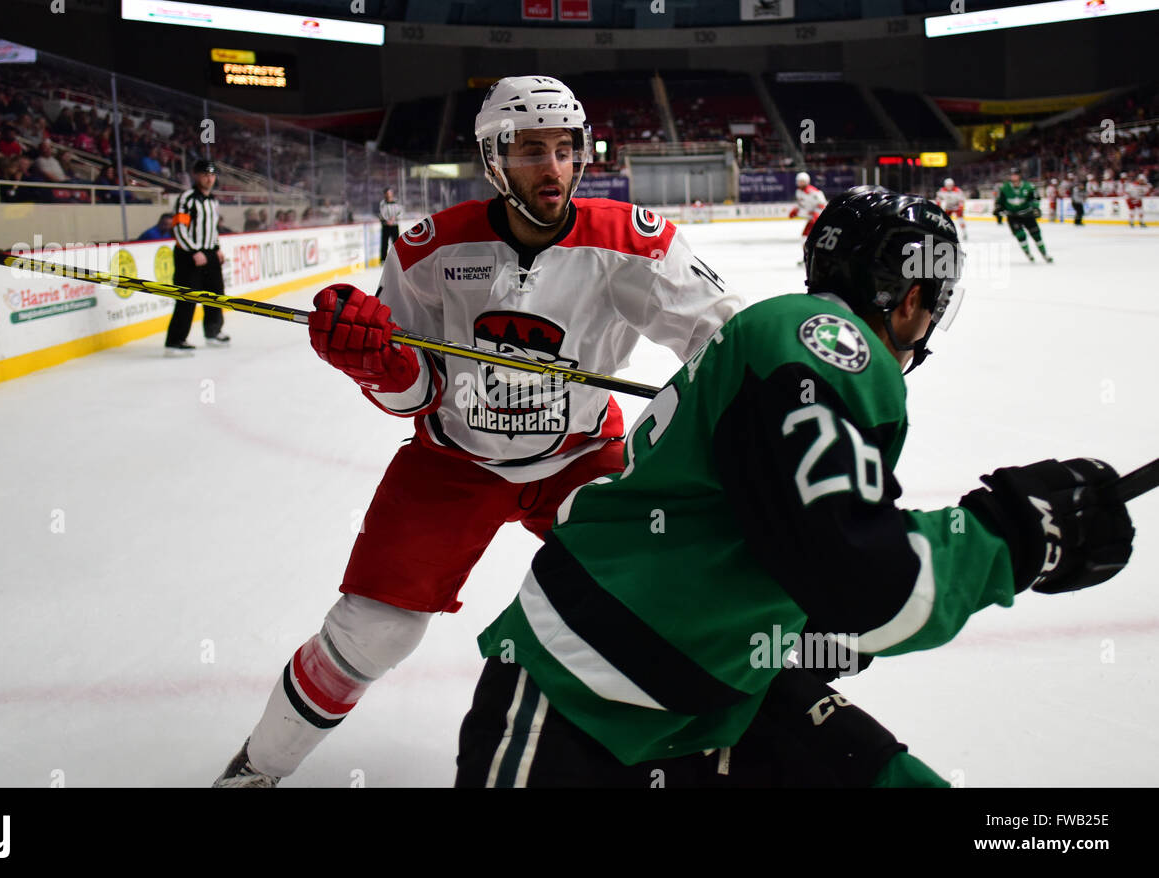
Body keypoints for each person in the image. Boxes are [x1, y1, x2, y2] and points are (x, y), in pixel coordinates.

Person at [453, 186, 1136, 787]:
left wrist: (805, 635)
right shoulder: (823, 341)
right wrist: (1016, 533)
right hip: (577, 704)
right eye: (932, 303)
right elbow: (865, 580)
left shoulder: (780, 337)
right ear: (913, 298)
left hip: (696, 696)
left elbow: (775, 546)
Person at [214, 74, 744, 786]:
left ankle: (684, 762)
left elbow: (730, 342)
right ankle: (258, 766)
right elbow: (416, 393)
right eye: (530, 150)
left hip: (579, 458)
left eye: (564, 148)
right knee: (375, 629)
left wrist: (763, 395)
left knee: (660, 604)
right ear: (494, 158)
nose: (553, 167)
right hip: (452, 464)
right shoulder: (429, 249)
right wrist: (374, 363)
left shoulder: (632, 244)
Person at [165, 158, 229, 355]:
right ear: (196, 175)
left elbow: (212, 229)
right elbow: (179, 228)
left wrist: (216, 248)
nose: (209, 179)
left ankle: (213, 332)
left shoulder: (213, 201)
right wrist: (193, 251)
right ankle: (175, 341)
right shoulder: (187, 198)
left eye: (212, 175)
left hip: (209, 253)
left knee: (216, 294)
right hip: (188, 255)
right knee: (187, 298)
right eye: (205, 175)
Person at [994, 168, 1052, 263]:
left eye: (1016, 174)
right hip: (1013, 216)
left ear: (1020, 175)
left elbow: (1035, 198)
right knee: (1020, 235)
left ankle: (1044, 254)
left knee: (1036, 234)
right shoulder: (1004, 188)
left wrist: (1035, 208)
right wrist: (998, 208)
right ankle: (1028, 253)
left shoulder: (1029, 186)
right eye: (1012, 175)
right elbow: (1000, 201)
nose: (1014, 176)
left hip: (1027, 214)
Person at [788, 171, 826, 264]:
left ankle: (812, 258)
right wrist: (796, 210)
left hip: (817, 219)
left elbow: (822, 204)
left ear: (807, 181)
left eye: (802, 181)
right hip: (812, 219)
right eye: (799, 181)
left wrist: (816, 215)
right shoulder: (798, 192)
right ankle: (808, 257)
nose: (800, 183)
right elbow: (802, 205)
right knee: (805, 238)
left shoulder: (813, 192)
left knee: (809, 238)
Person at [377, 187, 402, 263]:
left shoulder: (397, 202)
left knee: (396, 243)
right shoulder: (382, 203)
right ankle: (383, 259)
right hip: (386, 225)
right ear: (385, 194)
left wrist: (394, 219)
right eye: (387, 193)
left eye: (390, 193)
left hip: (394, 225)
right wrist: (387, 220)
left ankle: (397, 259)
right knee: (384, 243)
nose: (389, 195)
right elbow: (382, 213)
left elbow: (400, 212)